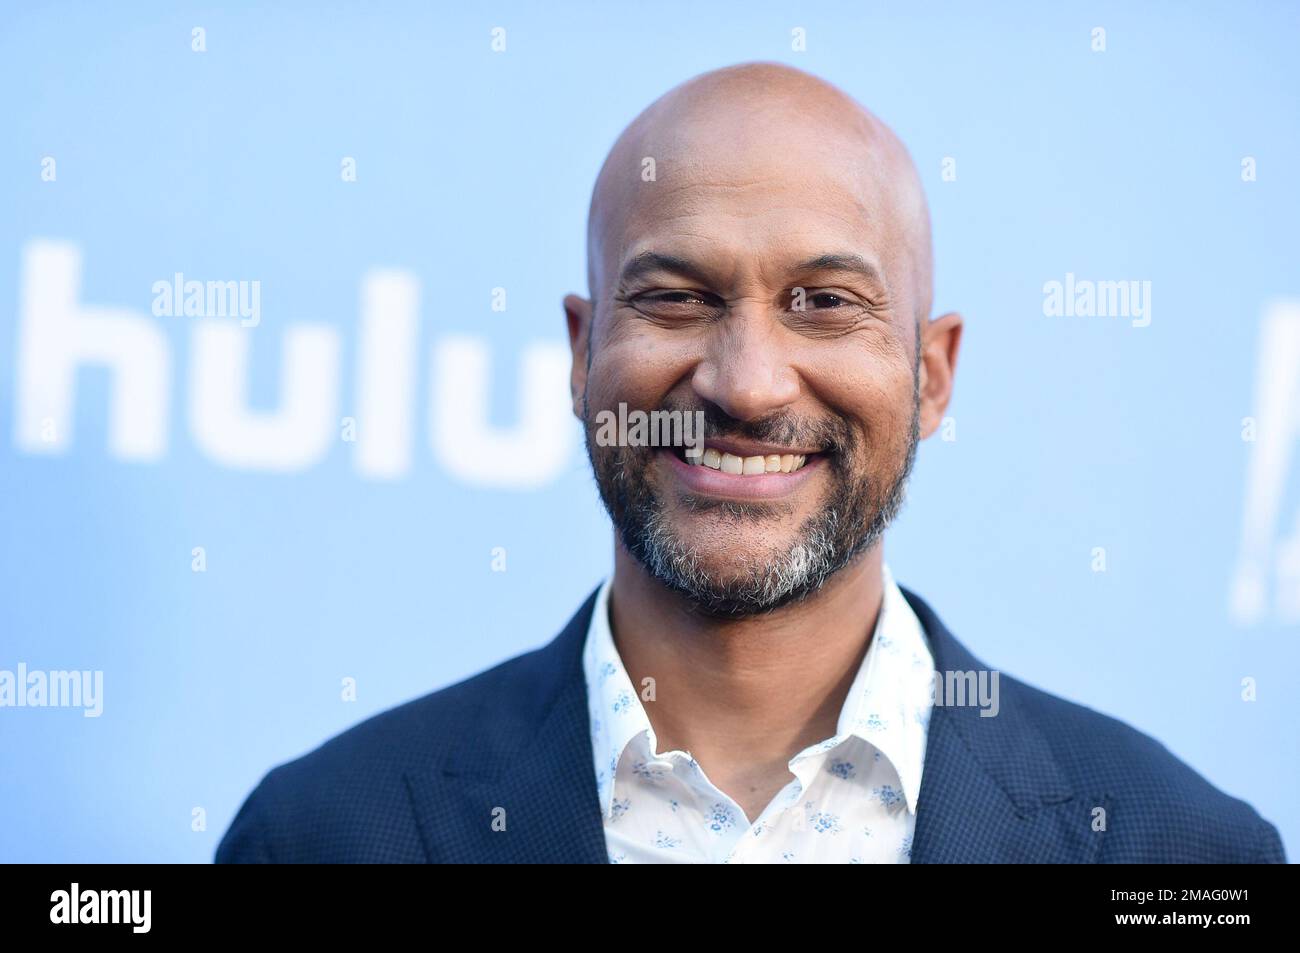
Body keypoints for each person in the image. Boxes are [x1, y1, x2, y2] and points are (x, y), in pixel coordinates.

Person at [217, 61, 1285, 864]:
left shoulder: (1177, 854)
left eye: (824, 303)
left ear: (932, 373)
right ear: (581, 353)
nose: (748, 383)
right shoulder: (322, 834)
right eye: (675, 296)